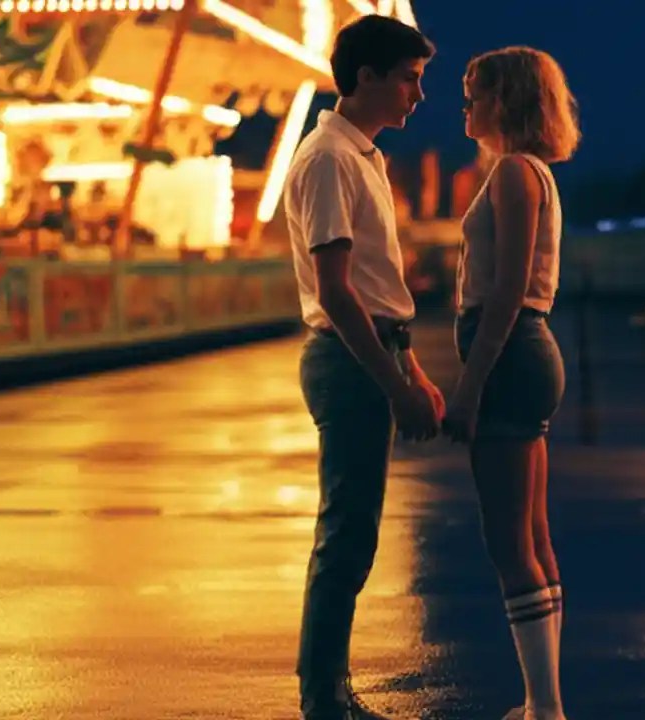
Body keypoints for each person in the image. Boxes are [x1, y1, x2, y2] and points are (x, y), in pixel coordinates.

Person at [281, 15, 442, 720]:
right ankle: (323, 697)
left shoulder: (362, 156)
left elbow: (373, 287)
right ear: (367, 77)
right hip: (348, 361)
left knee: (355, 529)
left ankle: (330, 689)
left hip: (369, 351)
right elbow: (336, 289)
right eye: (409, 79)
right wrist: (392, 384)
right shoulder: (330, 160)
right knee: (346, 529)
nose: (418, 95)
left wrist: (413, 370)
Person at [441, 46, 580, 720]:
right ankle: (542, 702)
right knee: (535, 535)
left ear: (507, 98)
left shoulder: (512, 176)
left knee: (509, 542)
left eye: (475, 91)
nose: (465, 102)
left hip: (510, 353)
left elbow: (505, 292)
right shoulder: (531, 173)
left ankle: (545, 708)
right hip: (528, 354)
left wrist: (468, 387)